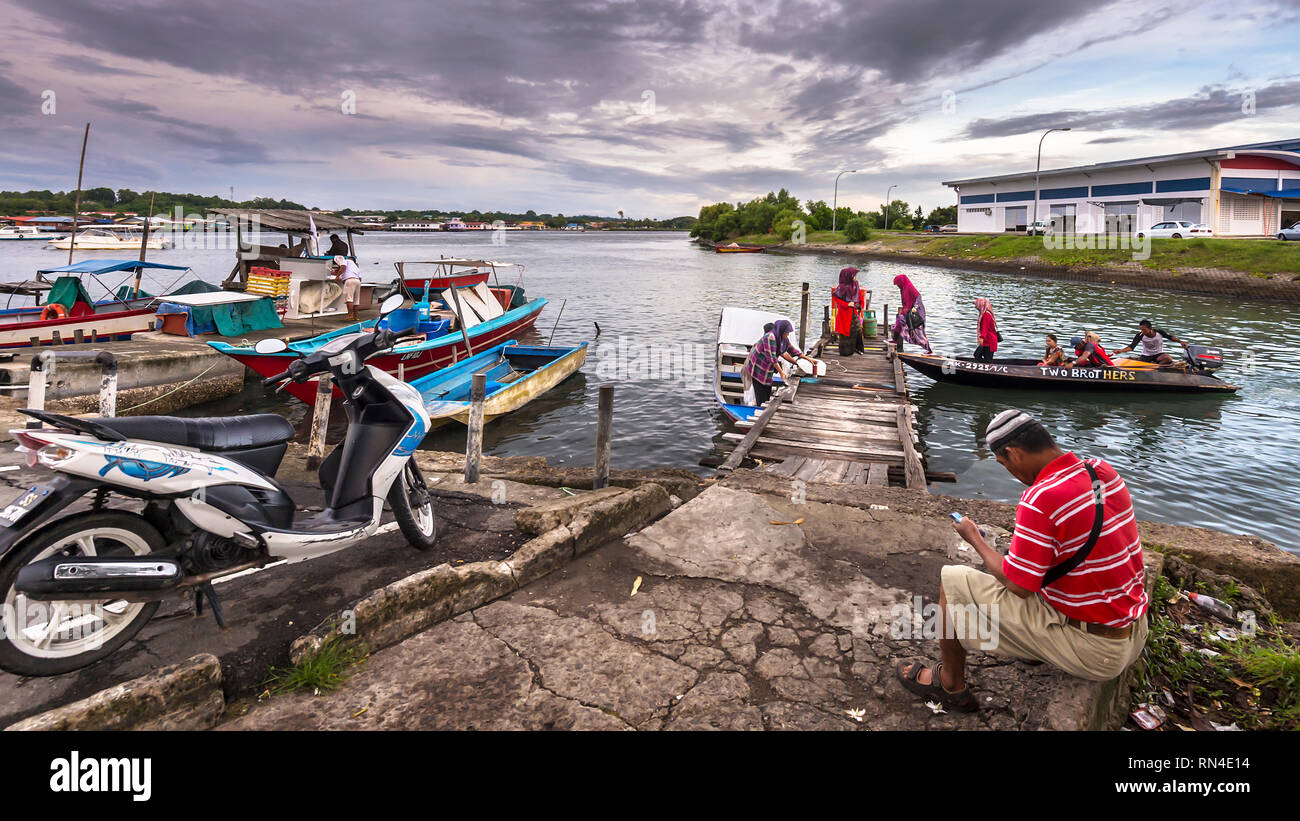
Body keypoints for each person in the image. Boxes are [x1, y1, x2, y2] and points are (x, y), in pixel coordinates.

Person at [896, 409, 1149, 710]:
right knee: (1027, 565)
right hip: (1133, 631)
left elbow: (1018, 586)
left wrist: (974, 537)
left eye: (1004, 464)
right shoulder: (1101, 470)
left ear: (1013, 454)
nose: (1011, 473)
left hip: (1096, 652)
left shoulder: (1039, 499)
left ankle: (949, 684)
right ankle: (1036, 645)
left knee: (952, 580)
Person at [742, 319, 804, 407]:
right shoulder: (769, 337)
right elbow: (772, 358)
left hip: (767, 371)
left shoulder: (781, 339)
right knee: (760, 395)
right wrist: (781, 372)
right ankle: (760, 409)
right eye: (787, 332)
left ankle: (762, 405)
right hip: (758, 370)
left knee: (766, 393)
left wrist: (802, 361)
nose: (787, 335)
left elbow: (787, 352)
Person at [1113, 319, 1188, 366]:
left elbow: (1170, 337)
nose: (1142, 331)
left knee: (1168, 359)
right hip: (1146, 356)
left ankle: (1156, 368)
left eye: (1144, 330)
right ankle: (1152, 366)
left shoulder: (1159, 332)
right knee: (1138, 365)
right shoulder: (1140, 335)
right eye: (1141, 329)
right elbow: (1131, 347)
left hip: (1158, 354)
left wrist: (1180, 341)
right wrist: (1121, 351)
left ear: (1150, 329)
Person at [892, 275, 932, 354]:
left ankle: (928, 349)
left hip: (916, 313)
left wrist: (914, 308)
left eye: (898, 284)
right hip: (907, 310)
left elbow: (918, 297)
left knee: (918, 331)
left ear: (902, 282)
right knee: (899, 320)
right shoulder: (903, 289)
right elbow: (905, 301)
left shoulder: (909, 287)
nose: (898, 286)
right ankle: (895, 339)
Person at [831, 267, 867, 356]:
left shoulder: (855, 284)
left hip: (854, 311)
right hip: (845, 314)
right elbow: (837, 300)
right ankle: (846, 351)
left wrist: (861, 304)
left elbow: (859, 295)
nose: (855, 277)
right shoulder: (842, 287)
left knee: (857, 329)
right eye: (854, 275)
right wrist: (847, 304)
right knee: (846, 332)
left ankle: (858, 348)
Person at [329, 254, 363, 321]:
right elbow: (360, 278)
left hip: (350, 280)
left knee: (349, 299)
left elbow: (343, 267)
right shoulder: (355, 267)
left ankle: (350, 315)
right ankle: (355, 317)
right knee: (356, 300)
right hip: (357, 281)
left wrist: (337, 277)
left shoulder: (346, 260)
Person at [973, 297, 998, 362]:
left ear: (980, 305)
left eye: (976, 305)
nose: (975, 307)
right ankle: (984, 366)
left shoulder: (986, 315)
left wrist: (981, 338)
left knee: (981, 356)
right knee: (978, 355)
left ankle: (987, 367)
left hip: (989, 341)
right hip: (987, 340)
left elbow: (985, 328)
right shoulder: (983, 314)